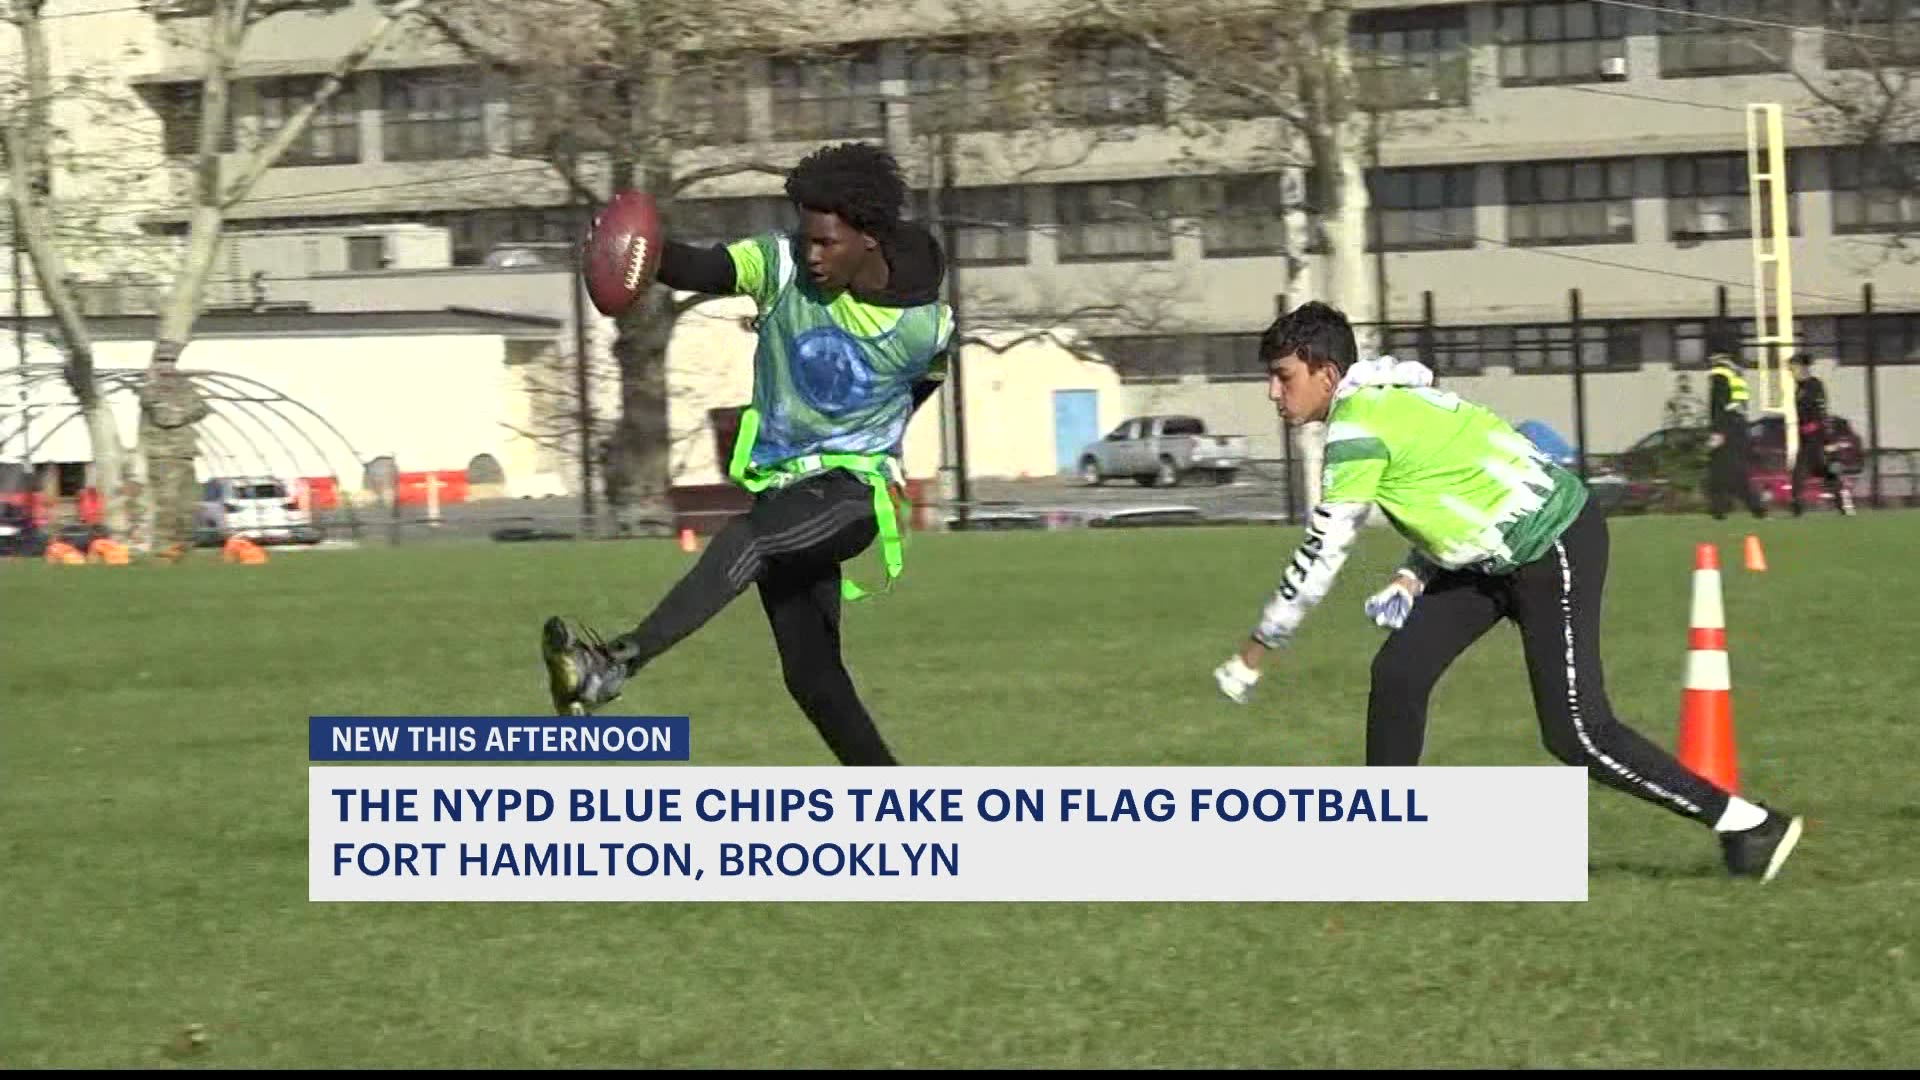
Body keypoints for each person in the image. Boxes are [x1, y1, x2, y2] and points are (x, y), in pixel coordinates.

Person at [1210, 301, 1805, 883]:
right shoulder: (1391, 398)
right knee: (1400, 673)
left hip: (1554, 545)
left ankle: (1749, 824)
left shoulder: (1359, 426)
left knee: (1577, 734)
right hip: (1491, 559)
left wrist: (1260, 643)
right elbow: (1461, 484)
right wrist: (1414, 572)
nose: (1272, 391)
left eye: (1282, 375)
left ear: (1327, 373)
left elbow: (1323, 551)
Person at [540, 142, 954, 767]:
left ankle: (613, 663)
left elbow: (926, 380)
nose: (810, 254)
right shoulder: (779, 265)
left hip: (852, 495)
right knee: (813, 679)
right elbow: (697, 267)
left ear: (868, 237)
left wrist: (879, 439)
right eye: (805, 237)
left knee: (749, 541)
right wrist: (633, 252)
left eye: (827, 243)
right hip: (784, 491)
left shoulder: (923, 327)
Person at [1705, 331, 1766, 520]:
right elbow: (1738, 402)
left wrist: (1717, 431)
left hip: (1726, 427)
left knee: (1718, 472)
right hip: (1739, 427)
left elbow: (1718, 403)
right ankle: (1747, 507)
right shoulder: (1736, 371)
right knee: (1733, 473)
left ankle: (1721, 510)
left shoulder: (1719, 372)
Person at [1788, 354, 1854, 517]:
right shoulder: (1799, 388)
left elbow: (1822, 413)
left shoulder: (1814, 385)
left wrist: (1828, 439)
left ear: (1803, 368)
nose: (1791, 372)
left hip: (1816, 438)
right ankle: (1798, 509)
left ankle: (1842, 505)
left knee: (1819, 472)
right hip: (1805, 439)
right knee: (1804, 473)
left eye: (1793, 368)